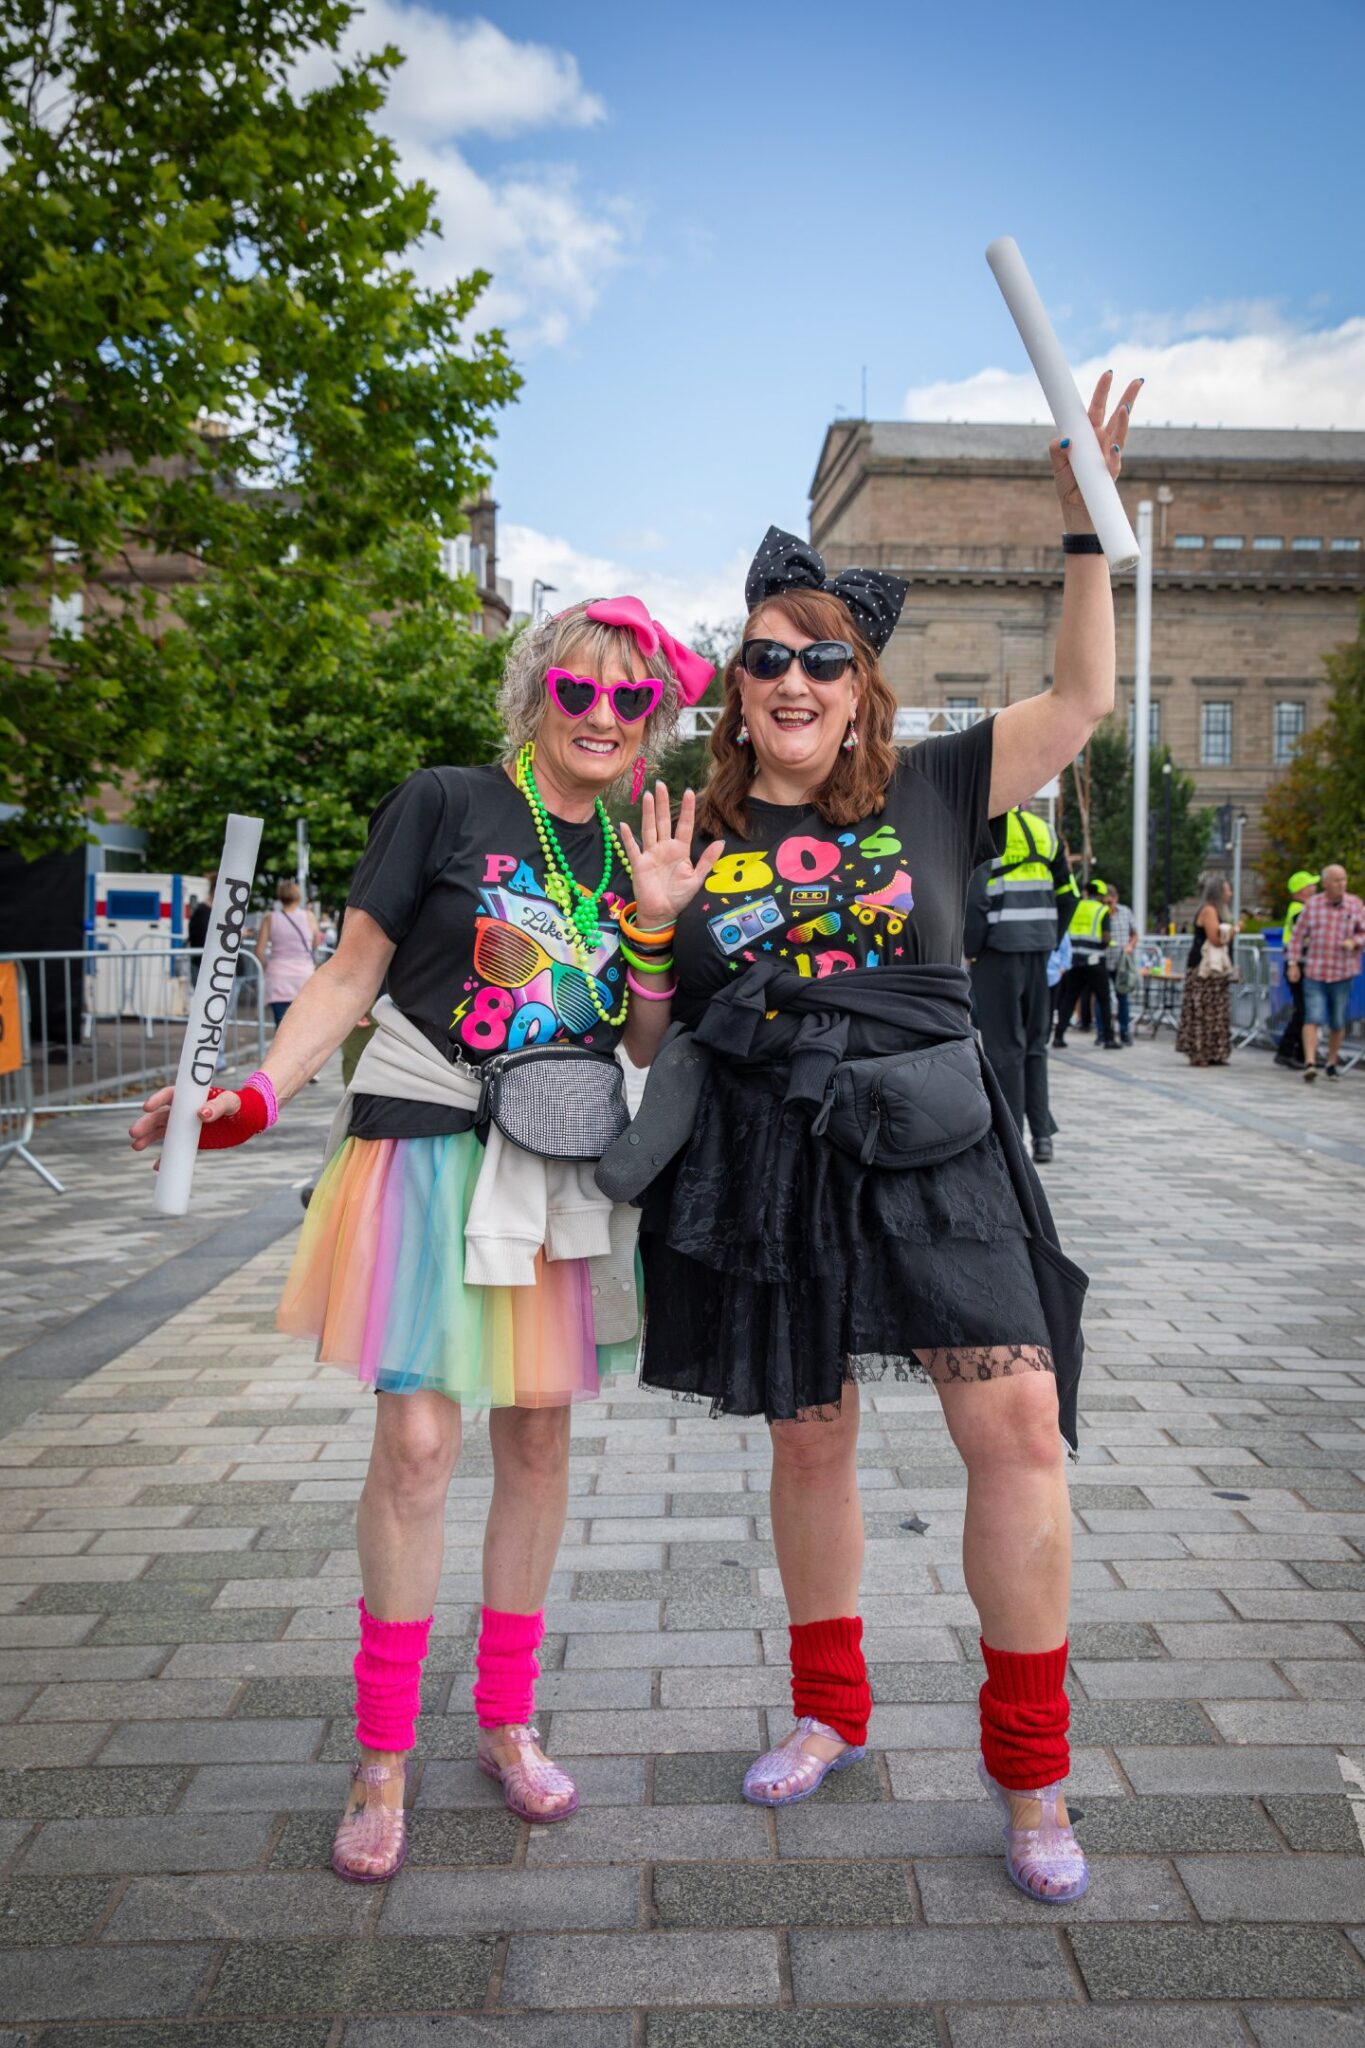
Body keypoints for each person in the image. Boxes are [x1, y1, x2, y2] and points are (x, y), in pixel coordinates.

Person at [615, 369, 1140, 1908]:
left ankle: (1032, 1773)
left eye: (824, 661)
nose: (795, 679)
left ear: (861, 690)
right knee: (811, 1440)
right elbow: (652, 1048)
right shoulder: (689, 836)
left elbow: (1085, 700)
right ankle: (830, 1711)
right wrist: (654, 934)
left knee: (1019, 1429)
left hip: (929, 1139)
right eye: (770, 657)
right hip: (770, 1152)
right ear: (738, 685)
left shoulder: (934, 785)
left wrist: (1084, 534)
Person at [131, 596, 716, 1880]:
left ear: (657, 718)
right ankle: (382, 1748)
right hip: (422, 1139)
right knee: (416, 1438)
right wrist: (258, 1093)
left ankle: (506, 1716)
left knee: (540, 1436)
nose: (605, 717)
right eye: (580, 691)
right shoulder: (446, 802)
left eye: (633, 699)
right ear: (537, 695)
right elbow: (348, 972)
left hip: (552, 1162)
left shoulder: (638, 845)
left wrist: (662, 926)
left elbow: (638, 1048)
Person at [966, 803, 1079, 1163]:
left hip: (999, 951)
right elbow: (1069, 894)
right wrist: (1050, 937)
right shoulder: (1044, 831)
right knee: (1035, 1045)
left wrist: (972, 949)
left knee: (1004, 1048)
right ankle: (1042, 1136)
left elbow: (976, 898)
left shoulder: (987, 829)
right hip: (1038, 947)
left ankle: (1011, 1140)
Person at [1287, 864, 1365, 1082]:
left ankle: (1331, 1061)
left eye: (1344, 880)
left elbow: (1363, 931)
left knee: (1338, 1021)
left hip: (1342, 971)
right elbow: (1297, 936)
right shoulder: (1313, 906)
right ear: (1326, 884)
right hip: (1316, 970)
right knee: (1312, 1016)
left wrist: (1354, 941)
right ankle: (1310, 1062)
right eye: (1336, 880)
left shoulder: (1355, 904)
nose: (1341, 884)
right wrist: (1293, 963)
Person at [1175, 877, 1239, 1067]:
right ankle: (1199, 1050)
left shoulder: (1218, 911)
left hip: (1216, 970)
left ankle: (1215, 1051)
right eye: (1228, 890)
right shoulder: (1209, 910)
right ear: (1219, 892)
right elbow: (1216, 939)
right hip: (1203, 968)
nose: (1230, 894)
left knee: (1217, 1010)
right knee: (1203, 1009)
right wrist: (1235, 930)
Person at [1054, 879, 1118, 1049]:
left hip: (1074, 961)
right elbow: (1106, 937)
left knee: (1069, 999)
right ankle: (1109, 1038)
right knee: (1104, 1000)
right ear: (1101, 895)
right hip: (1095, 961)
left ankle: (1058, 1036)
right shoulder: (1101, 910)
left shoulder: (1076, 906)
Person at [256, 880, 321, 1029]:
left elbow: (259, 951)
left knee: (281, 1028)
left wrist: (270, 966)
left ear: (280, 898)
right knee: (303, 1027)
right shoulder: (309, 917)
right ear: (298, 897)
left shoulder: (269, 918)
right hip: (303, 976)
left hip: (278, 977)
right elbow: (316, 943)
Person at [1273, 870, 1319, 1069]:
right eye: (1310, 885)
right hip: (1297, 965)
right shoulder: (1298, 910)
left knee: (1307, 1011)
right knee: (1304, 1011)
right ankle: (1287, 1051)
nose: (1315, 888)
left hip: (1302, 964)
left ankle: (1304, 1054)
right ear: (1301, 891)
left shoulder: (1301, 908)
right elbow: (1308, 933)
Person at [1103, 883, 1138, 1046]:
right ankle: (1103, 1031)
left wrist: (1130, 946)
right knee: (1102, 998)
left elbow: (1134, 933)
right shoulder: (1101, 913)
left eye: (1110, 903)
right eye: (1105, 903)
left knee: (1122, 996)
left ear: (1116, 899)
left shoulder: (1125, 912)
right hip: (1104, 959)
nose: (1108, 906)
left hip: (1121, 961)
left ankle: (1124, 1031)